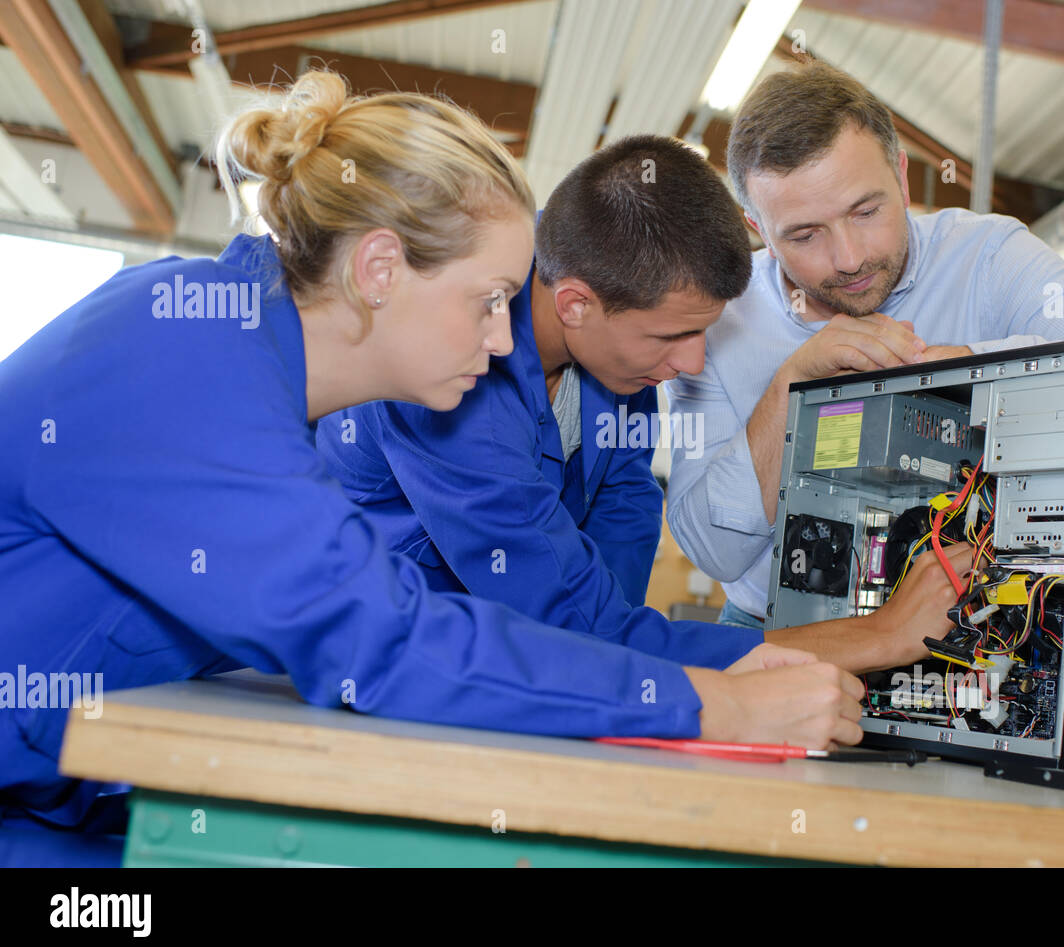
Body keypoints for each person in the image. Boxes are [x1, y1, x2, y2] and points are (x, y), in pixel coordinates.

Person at [0, 72, 861, 866]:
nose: (500, 342)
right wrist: (714, 705)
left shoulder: (241, 351)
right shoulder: (185, 358)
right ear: (379, 269)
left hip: (66, 784)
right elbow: (382, 638)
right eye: (487, 300)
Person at [316, 134, 972, 681]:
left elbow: (625, 512)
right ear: (575, 304)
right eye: (670, 336)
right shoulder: (456, 383)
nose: (688, 365)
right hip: (367, 670)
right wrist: (877, 636)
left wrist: (625, 668)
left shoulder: (612, 341)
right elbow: (575, 632)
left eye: (701, 334)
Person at [665, 61, 1064, 628]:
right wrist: (792, 386)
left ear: (903, 178)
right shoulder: (716, 321)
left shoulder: (985, 256)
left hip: (976, 626)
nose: (849, 257)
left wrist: (974, 372)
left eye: (866, 211)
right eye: (805, 234)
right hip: (780, 636)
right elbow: (714, 552)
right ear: (757, 226)